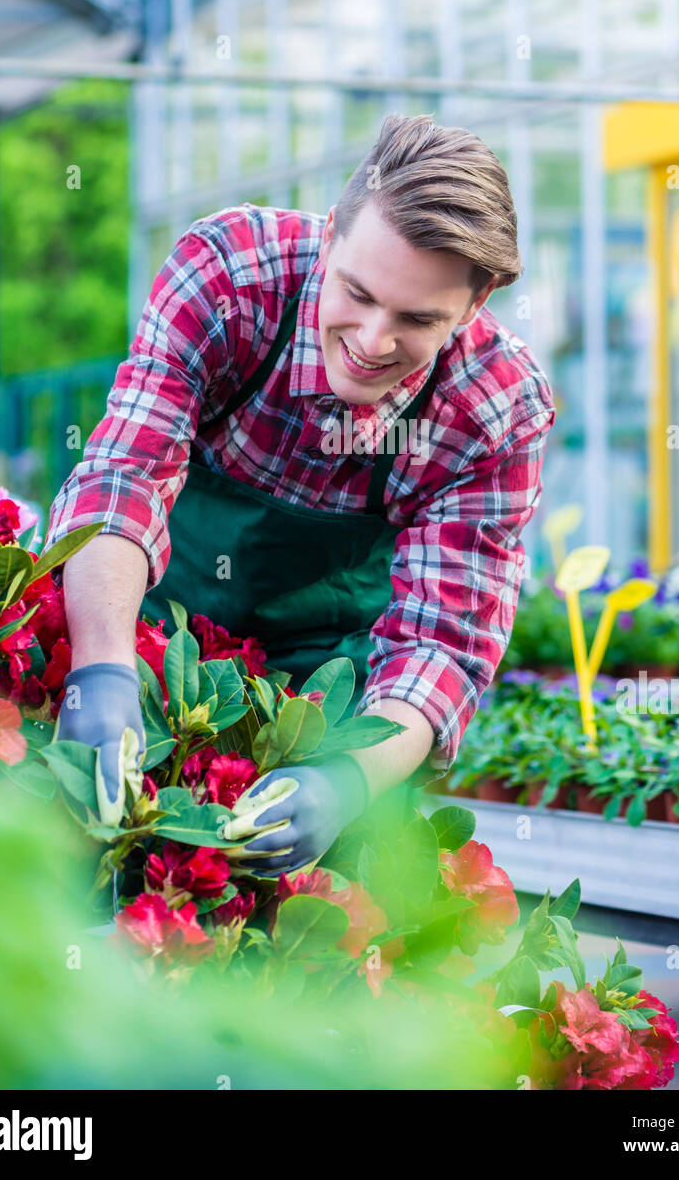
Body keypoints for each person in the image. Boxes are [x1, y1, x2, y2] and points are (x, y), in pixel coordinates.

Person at [45, 113, 556, 873]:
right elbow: (127, 476)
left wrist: (346, 783)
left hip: (328, 686)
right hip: (144, 622)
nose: (373, 340)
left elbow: (441, 645)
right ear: (331, 233)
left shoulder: (494, 406)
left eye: (417, 320)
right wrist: (101, 667)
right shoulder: (229, 277)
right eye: (357, 292)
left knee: (323, 935)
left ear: (474, 306)